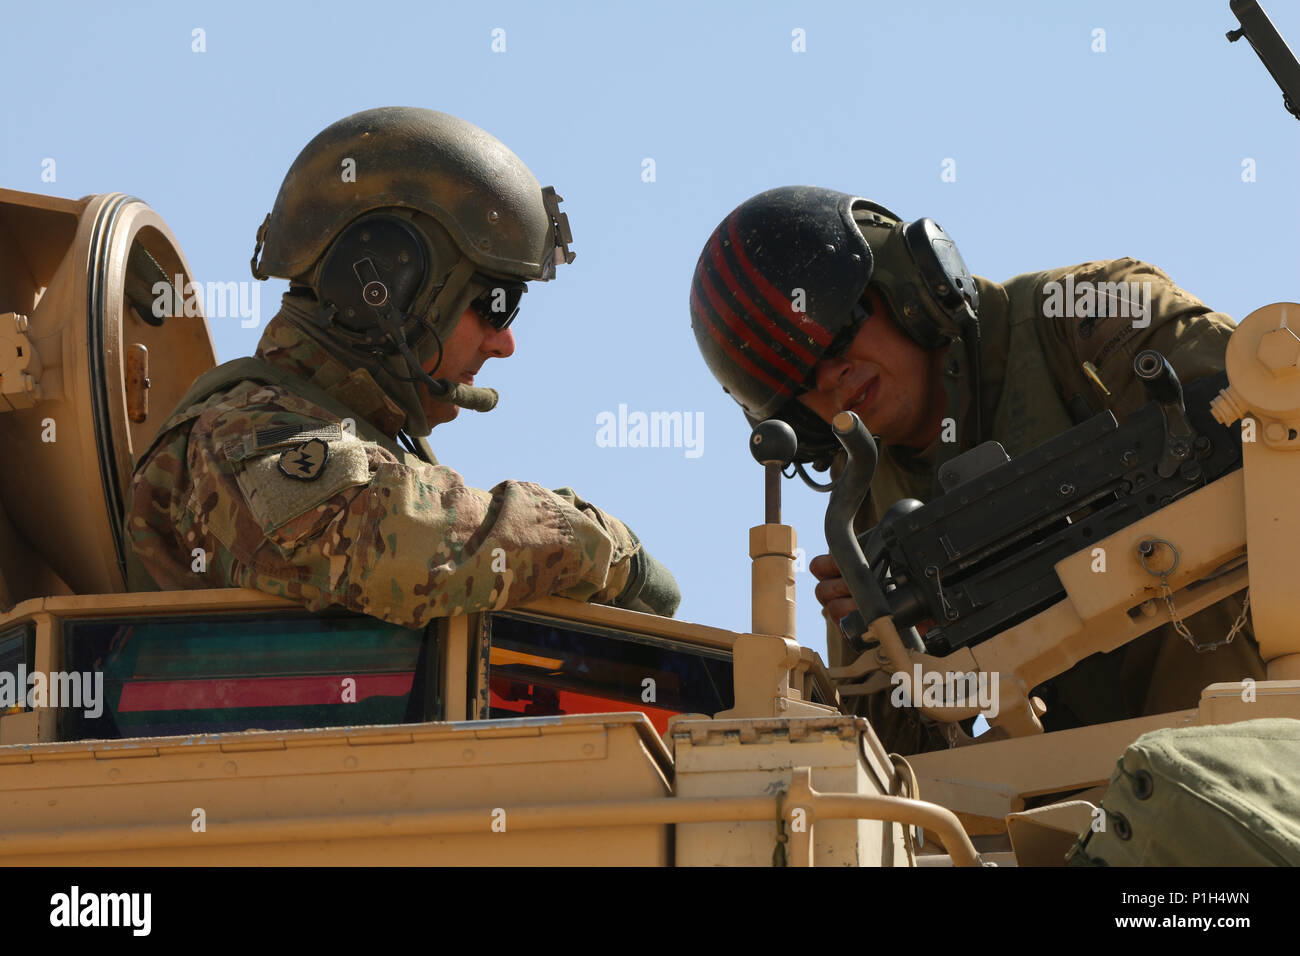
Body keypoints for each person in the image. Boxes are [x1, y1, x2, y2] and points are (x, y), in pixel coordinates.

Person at [689, 185, 1262, 753]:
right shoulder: (865, 520)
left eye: (839, 333)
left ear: (910, 284)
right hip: (1082, 808)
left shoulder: (1089, 314)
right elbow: (892, 768)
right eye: (800, 384)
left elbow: (1267, 434)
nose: (831, 377)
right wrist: (908, 649)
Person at [128, 107, 679, 628]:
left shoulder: (358, 440)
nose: (505, 343)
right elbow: (400, 548)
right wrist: (594, 545)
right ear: (384, 291)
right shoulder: (243, 434)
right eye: (494, 304)